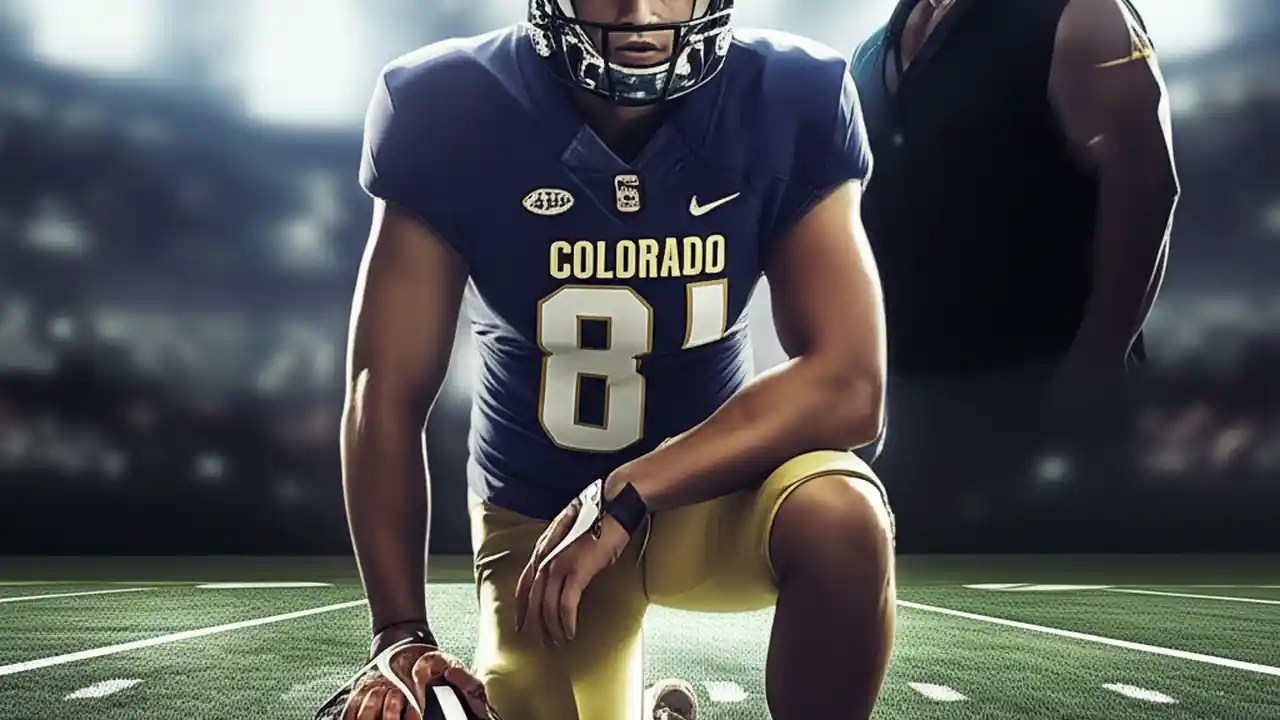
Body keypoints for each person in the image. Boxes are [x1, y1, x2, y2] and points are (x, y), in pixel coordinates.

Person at [321, 1, 896, 719]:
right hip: (539, 523)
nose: (639, 10)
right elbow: (385, 393)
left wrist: (628, 492)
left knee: (843, 516)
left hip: (710, 497)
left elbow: (850, 383)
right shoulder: (447, 106)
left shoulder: (788, 93)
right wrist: (399, 632)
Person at [851, 0, 1179, 545]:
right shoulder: (873, 49)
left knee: (1060, 605)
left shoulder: (1082, 14)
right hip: (910, 406)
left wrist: (1099, 357)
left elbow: (1147, 183)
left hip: (1040, 397)